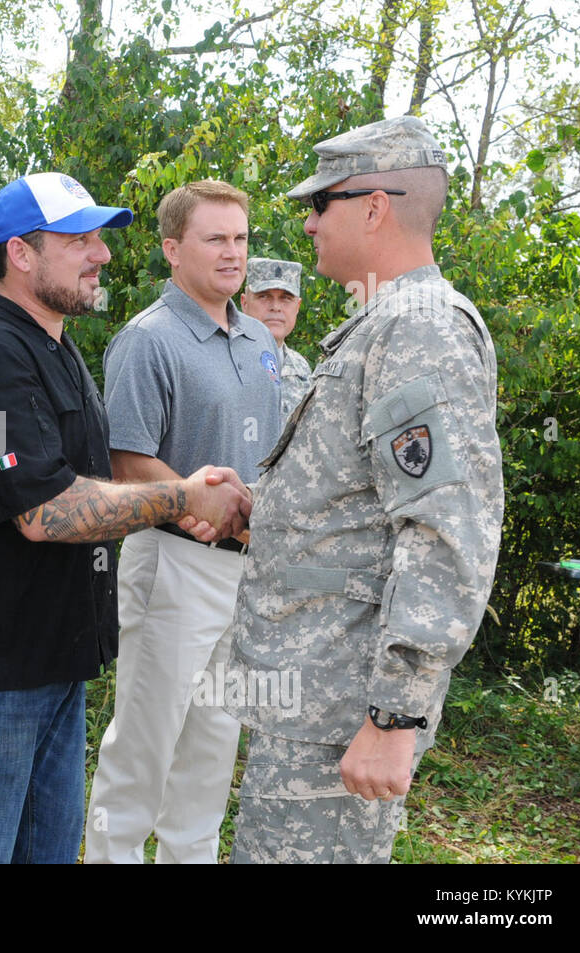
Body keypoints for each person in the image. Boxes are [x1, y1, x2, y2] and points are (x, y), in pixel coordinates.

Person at [0, 172, 251, 864]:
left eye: (101, 238)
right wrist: (185, 496)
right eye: (81, 240)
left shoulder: (56, 347)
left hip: (54, 663)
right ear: (22, 254)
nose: (105, 254)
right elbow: (45, 510)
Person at [222, 115, 504, 863]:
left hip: (347, 711)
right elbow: (365, 503)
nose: (309, 223)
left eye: (322, 204)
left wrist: (394, 714)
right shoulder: (383, 325)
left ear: (375, 206)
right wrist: (267, 508)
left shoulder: (421, 329)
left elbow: (447, 530)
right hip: (317, 699)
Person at [84, 180, 283, 864]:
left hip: (245, 568)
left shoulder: (262, 339)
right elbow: (127, 459)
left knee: (209, 756)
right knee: (142, 750)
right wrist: (196, 505)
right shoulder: (148, 340)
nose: (234, 253)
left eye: (241, 238)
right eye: (215, 238)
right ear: (172, 249)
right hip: (172, 562)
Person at [240, 257, 312, 419]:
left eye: (286, 298)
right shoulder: (225, 360)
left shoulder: (301, 368)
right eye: (264, 296)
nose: (275, 307)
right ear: (244, 303)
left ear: (297, 307)